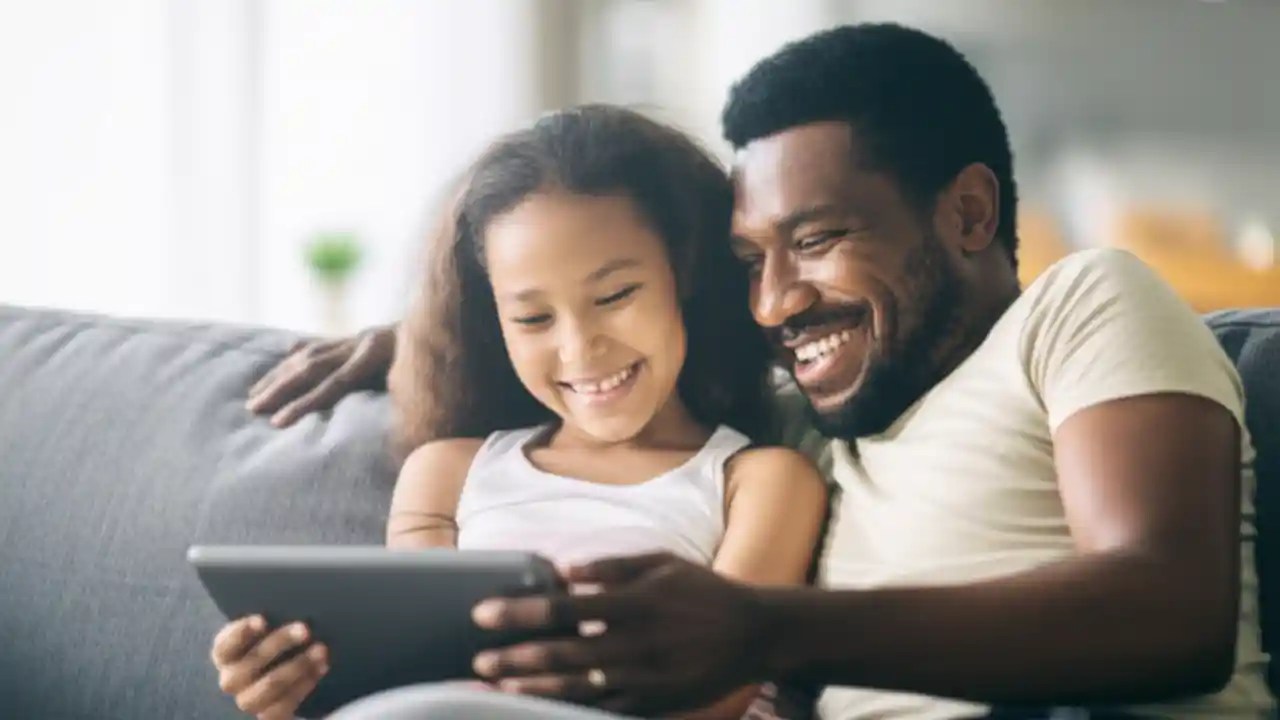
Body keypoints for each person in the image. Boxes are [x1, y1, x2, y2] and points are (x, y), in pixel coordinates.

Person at [247, 23, 1273, 720]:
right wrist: (429, 335)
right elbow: (616, 364)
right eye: (750, 262)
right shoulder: (795, 420)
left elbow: (1168, 615)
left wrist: (760, 631)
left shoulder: (1081, 305)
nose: (775, 301)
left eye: (816, 240)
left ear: (966, 212)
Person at [214, 105, 828, 720]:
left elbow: (720, 691)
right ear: (495, 325)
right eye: (533, 318)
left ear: (685, 273)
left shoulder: (761, 481)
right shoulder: (445, 473)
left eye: (615, 295)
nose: (579, 348)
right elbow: (418, 668)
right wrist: (299, 686)